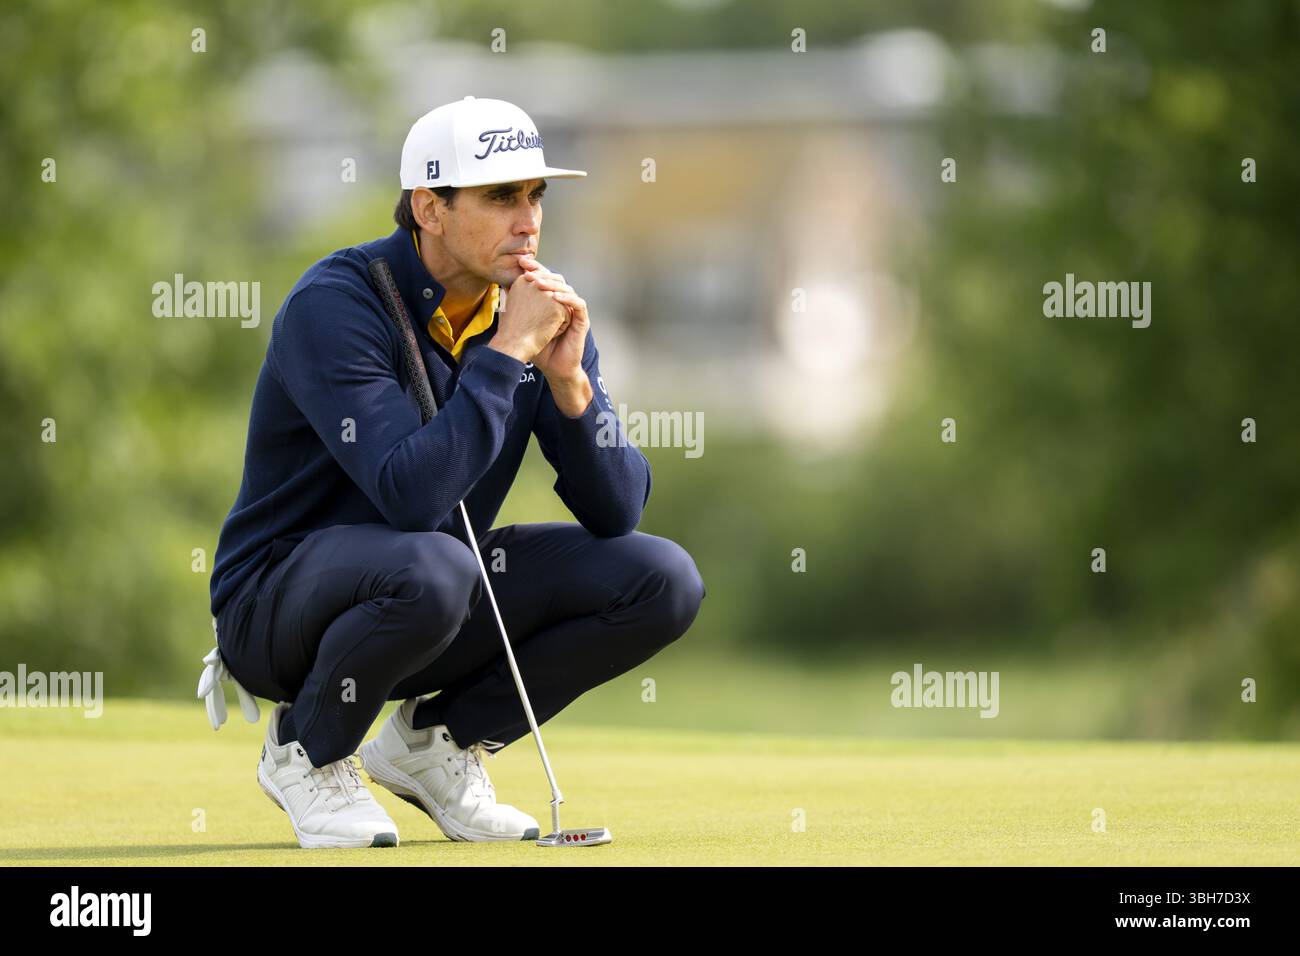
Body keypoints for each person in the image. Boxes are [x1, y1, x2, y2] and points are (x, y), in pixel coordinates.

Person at [205, 96, 706, 849]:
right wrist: (506, 358)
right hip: (278, 607)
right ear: (429, 208)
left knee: (660, 578)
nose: (528, 218)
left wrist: (572, 386)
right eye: (501, 196)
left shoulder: (532, 312)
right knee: (436, 564)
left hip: (431, 593)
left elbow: (618, 511)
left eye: (535, 195)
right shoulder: (336, 305)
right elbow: (411, 496)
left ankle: (434, 744)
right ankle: (305, 748)